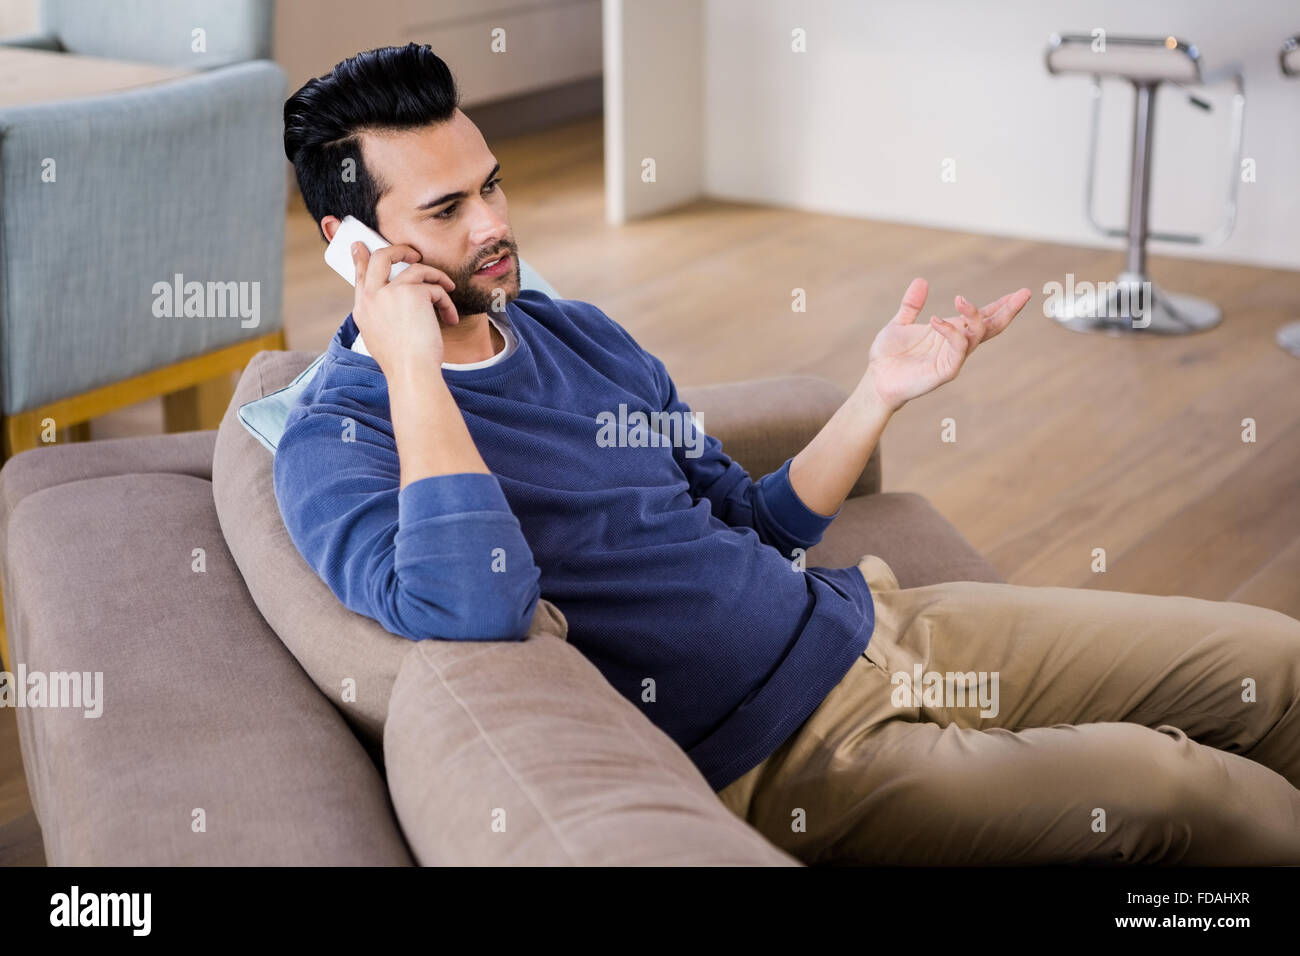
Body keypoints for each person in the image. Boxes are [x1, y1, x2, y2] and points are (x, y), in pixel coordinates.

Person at [276, 43, 1300, 865]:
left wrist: (876, 394)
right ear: (351, 242)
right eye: (448, 211)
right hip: (793, 759)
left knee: (1274, 662)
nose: (497, 225)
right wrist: (411, 366)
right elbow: (475, 604)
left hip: (877, 623)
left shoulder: (571, 330)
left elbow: (746, 518)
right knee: (1188, 787)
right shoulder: (340, 438)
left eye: (492, 186)